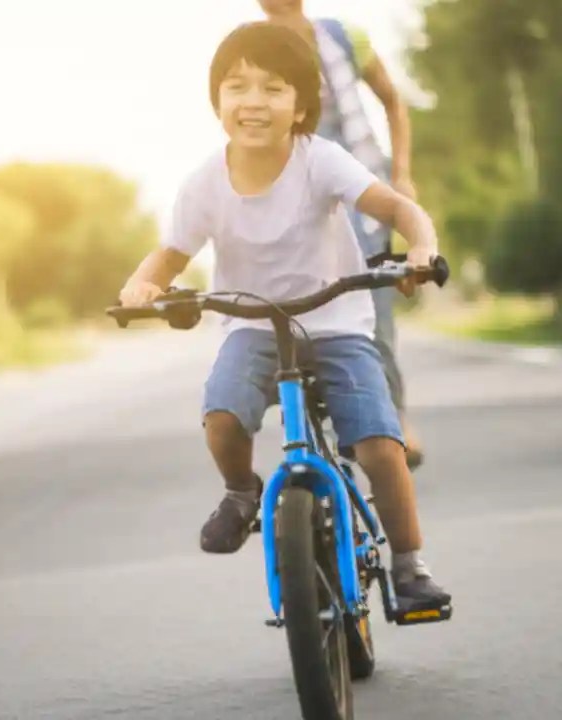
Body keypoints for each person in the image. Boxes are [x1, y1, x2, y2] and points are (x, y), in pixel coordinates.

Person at [117, 22, 450, 609]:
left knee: (379, 447)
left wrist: (420, 247)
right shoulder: (203, 183)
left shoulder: (321, 160)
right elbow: (170, 255)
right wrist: (143, 285)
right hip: (252, 327)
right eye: (237, 86)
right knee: (222, 416)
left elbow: (395, 207)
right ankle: (242, 493)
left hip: (337, 324)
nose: (253, 102)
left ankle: (408, 564)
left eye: (273, 89)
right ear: (217, 101)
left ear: (301, 109)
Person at [258, 0, 426, 467]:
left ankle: (393, 415)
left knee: (374, 305)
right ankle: (309, 419)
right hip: (292, 188)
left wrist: (403, 174)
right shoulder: (254, 46)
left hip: (359, 186)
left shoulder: (344, 37)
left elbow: (392, 100)